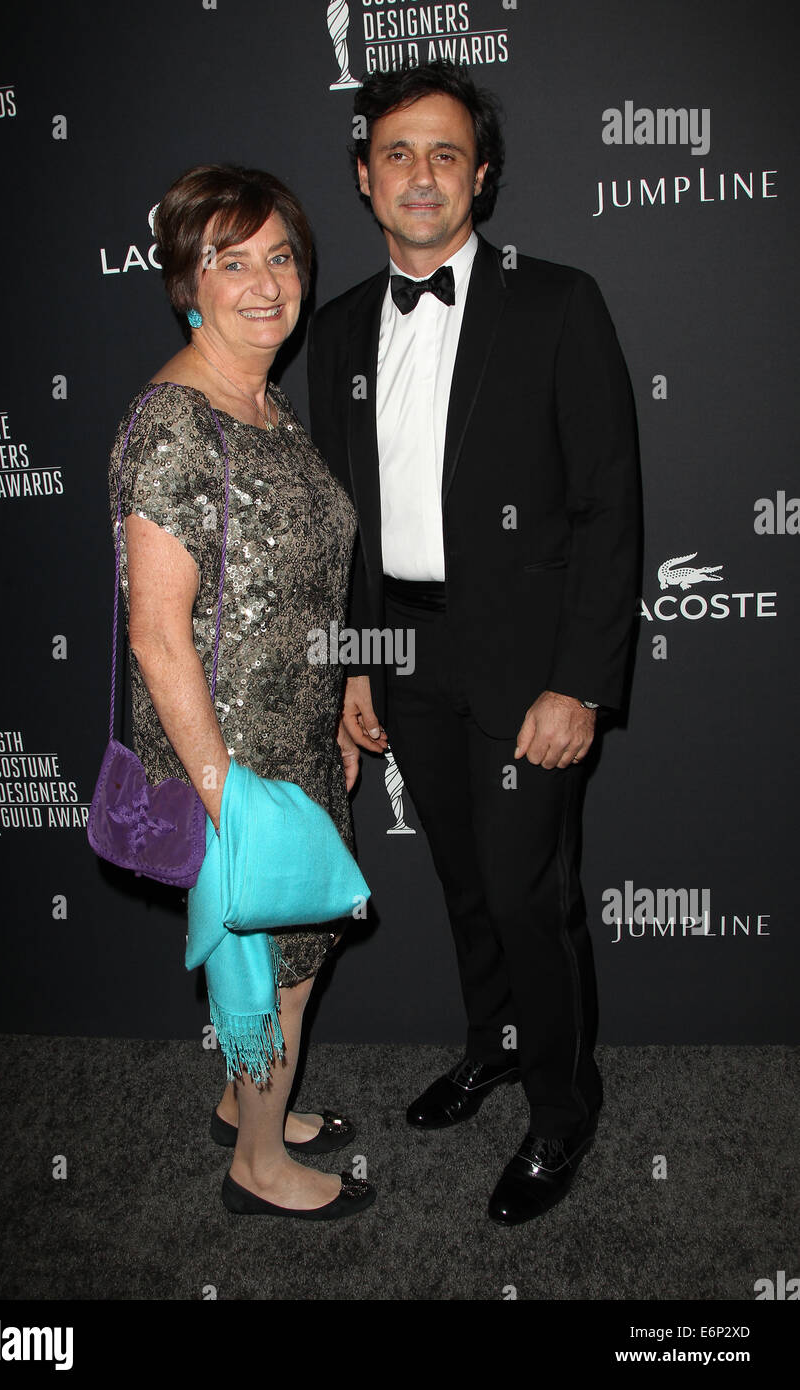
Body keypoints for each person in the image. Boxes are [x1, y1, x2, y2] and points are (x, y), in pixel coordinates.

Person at [307, 62, 641, 1225]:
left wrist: (579, 684)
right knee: (460, 881)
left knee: (522, 889)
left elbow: (607, 507)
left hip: (528, 661)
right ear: (362, 176)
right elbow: (341, 517)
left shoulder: (556, 301)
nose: (420, 174)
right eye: (396, 152)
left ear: (480, 174)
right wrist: (355, 655)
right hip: (404, 656)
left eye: (445, 152)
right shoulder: (340, 324)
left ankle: (561, 1104)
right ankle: (493, 1043)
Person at [107, 164, 374, 1220]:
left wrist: (341, 684)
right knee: (285, 969)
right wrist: (226, 795)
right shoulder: (178, 421)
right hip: (232, 758)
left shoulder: (261, 400)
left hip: (293, 737)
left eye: (281, 258)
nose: (265, 283)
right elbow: (156, 633)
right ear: (187, 279)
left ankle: (244, 1101)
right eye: (232, 261)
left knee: (291, 952)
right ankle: (258, 1165)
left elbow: (304, 568)